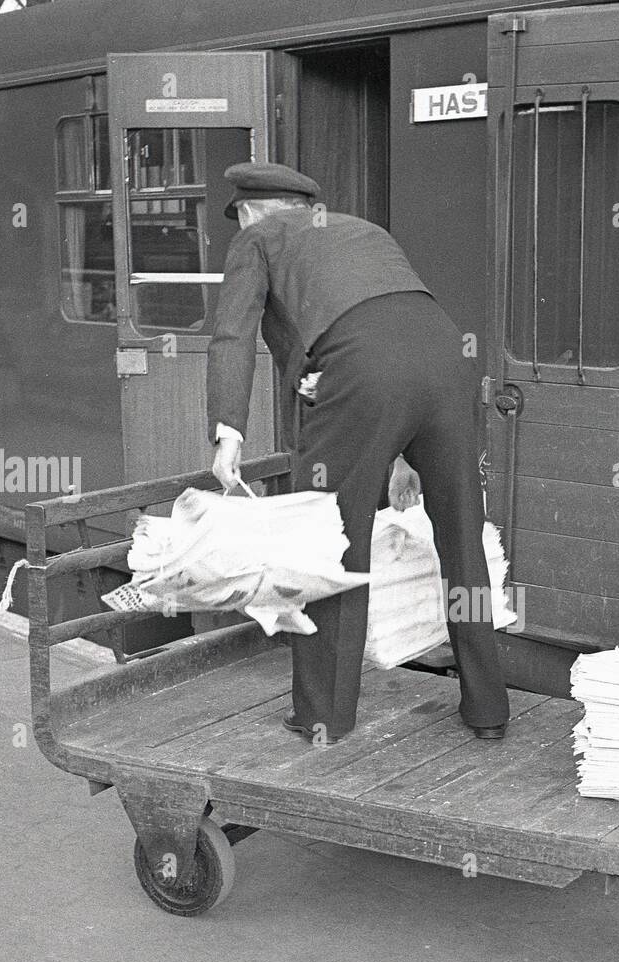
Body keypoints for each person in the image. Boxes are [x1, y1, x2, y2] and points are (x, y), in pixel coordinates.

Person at [206, 161, 510, 746]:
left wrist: (228, 435)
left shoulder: (257, 239)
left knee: (332, 540)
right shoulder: (365, 232)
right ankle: (488, 708)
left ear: (248, 212)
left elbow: (234, 334)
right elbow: (386, 320)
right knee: (462, 537)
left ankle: (324, 715)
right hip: (448, 361)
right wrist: (398, 447)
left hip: (366, 370)